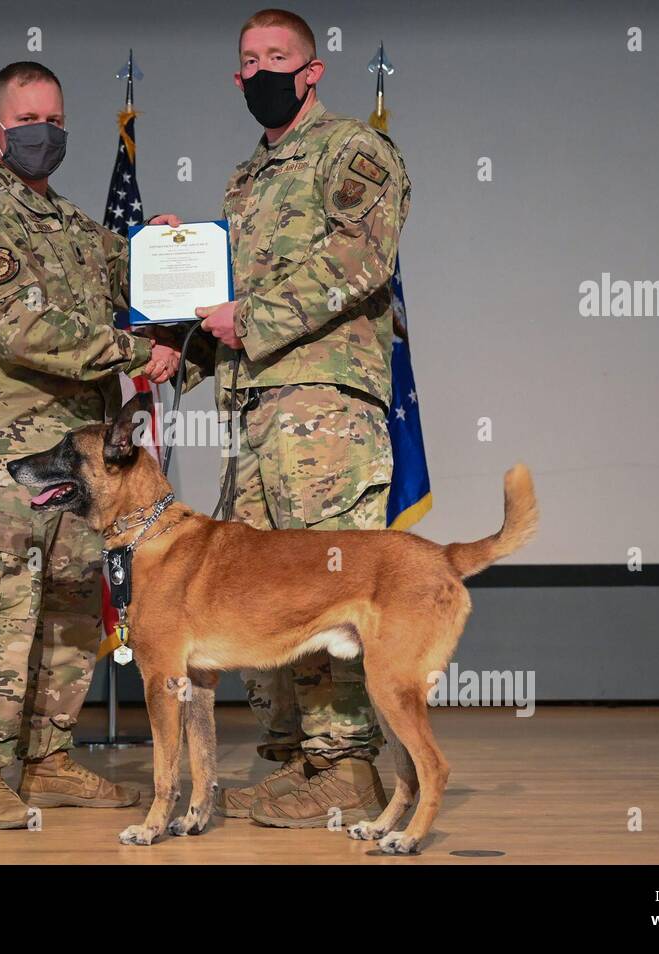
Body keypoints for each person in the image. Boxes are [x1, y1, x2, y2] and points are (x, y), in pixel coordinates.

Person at [0, 61, 181, 829]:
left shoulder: (68, 227)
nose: (46, 134)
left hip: (79, 464)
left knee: (71, 608)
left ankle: (48, 758)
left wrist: (165, 251)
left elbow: (128, 271)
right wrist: (138, 355)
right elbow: (28, 332)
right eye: (30, 120)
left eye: (58, 121)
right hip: (2, 456)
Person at [195, 9, 412, 828]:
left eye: (277, 57)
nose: (261, 72)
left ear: (312, 70)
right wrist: (181, 310)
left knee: (328, 589)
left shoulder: (351, 150)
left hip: (323, 408)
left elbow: (360, 260)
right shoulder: (247, 179)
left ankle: (347, 767)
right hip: (256, 408)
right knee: (259, 597)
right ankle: (296, 756)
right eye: (248, 60)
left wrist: (247, 316)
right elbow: (224, 301)